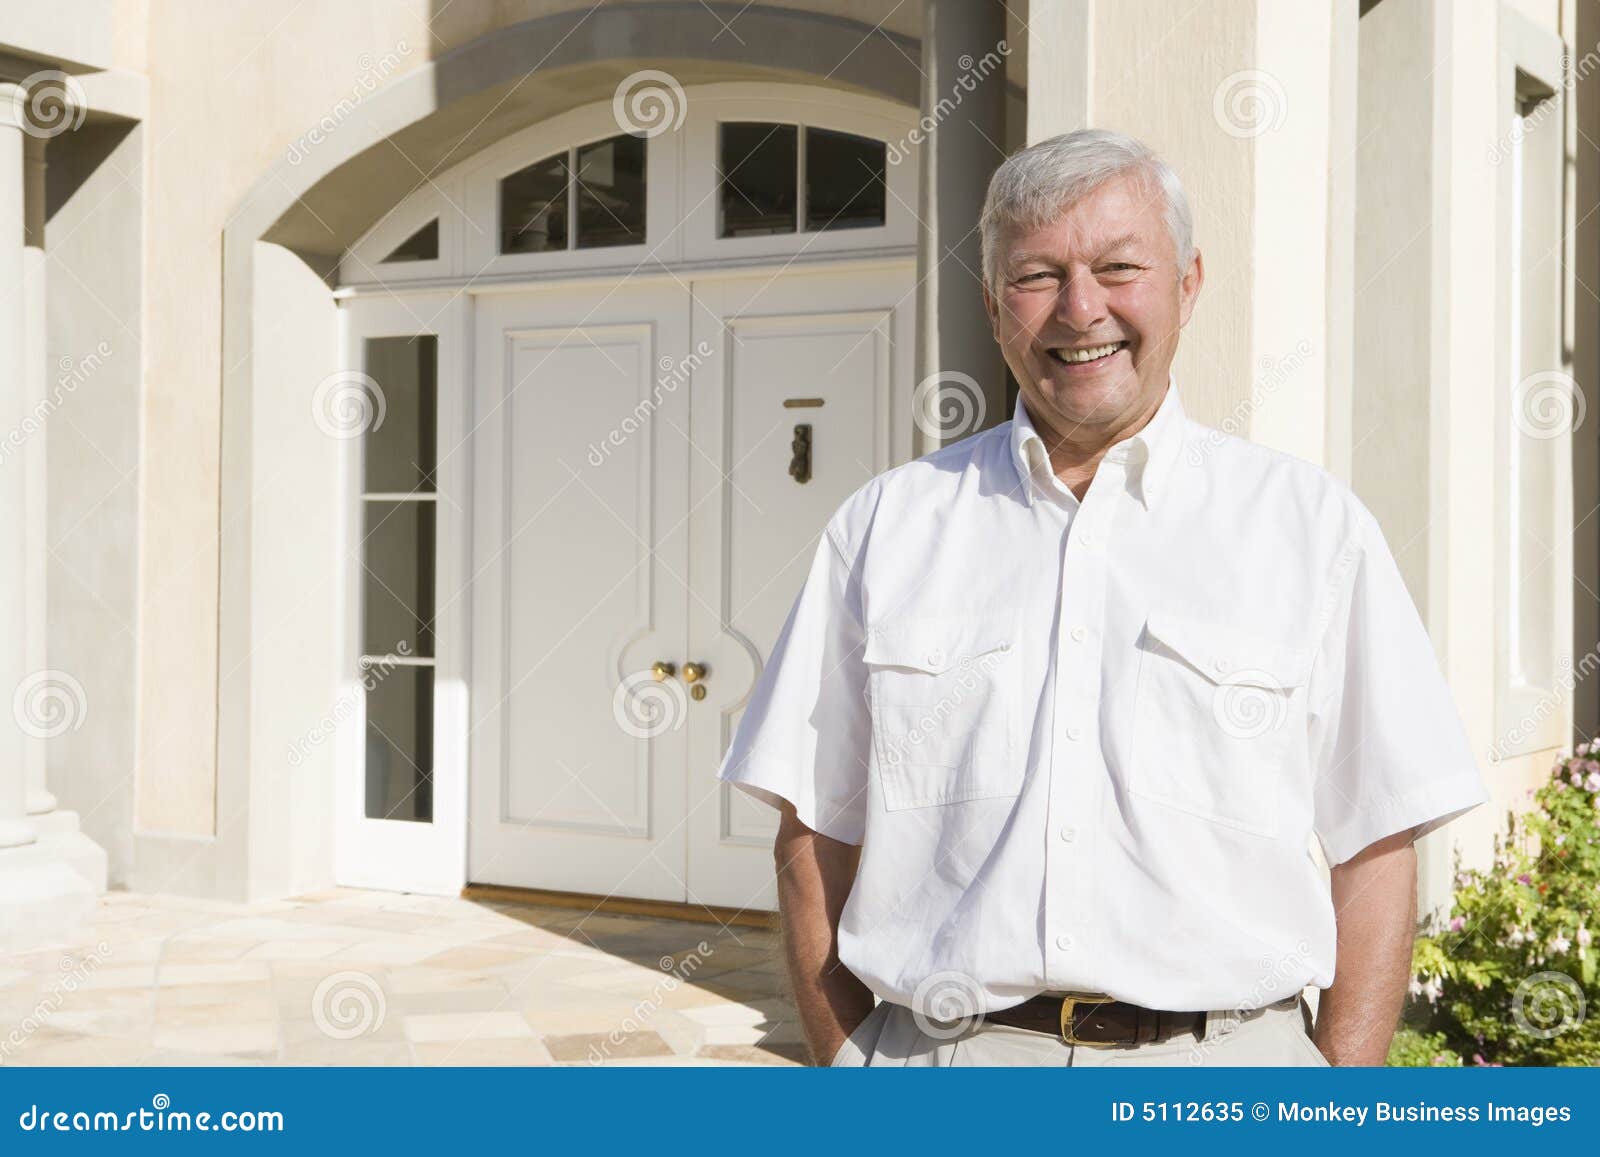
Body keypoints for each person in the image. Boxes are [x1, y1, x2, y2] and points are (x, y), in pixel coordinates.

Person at [715, 128, 1489, 1067]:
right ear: (994, 302)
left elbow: (1376, 849)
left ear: (1189, 282)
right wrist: (852, 1071)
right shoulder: (887, 526)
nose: (1081, 310)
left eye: (1119, 266)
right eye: (1038, 275)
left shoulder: (1312, 528)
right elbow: (812, 828)